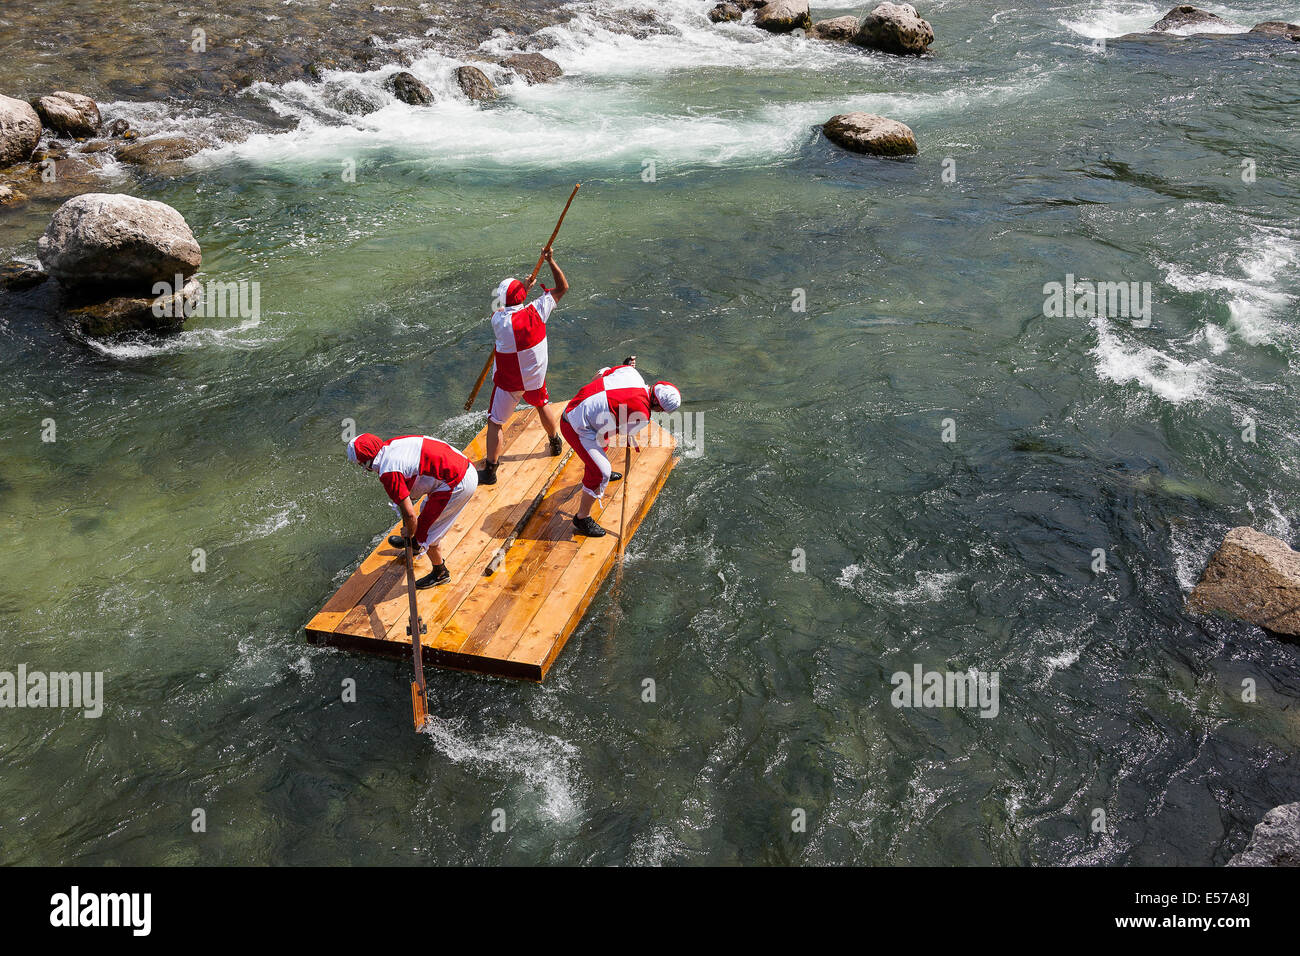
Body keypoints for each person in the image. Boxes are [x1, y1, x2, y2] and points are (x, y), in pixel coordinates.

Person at [479, 248, 569, 485]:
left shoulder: (497, 320)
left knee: (495, 422)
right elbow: (562, 288)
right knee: (542, 405)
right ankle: (554, 440)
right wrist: (550, 261)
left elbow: (503, 306)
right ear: (521, 298)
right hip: (534, 378)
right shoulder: (537, 310)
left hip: (509, 382)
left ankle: (490, 470)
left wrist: (523, 288)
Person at [560, 362, 681, 537]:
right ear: (659, 407)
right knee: (603, 473)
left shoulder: (631, 372)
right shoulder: (643, 416)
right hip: (574, 427)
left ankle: (592, 472)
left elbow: (600, 374)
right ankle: (582, 518)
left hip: (575, 406)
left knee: (604, 444)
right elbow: (625, 431)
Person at [346, 432, 478, 588]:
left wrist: (409, 530)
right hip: (460, 465)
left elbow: (410, 515)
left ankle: (440, 573)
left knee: (427, 532)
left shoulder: (389, 473)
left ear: (365, 464)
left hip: (458, 482)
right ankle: (415, 544)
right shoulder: (391, 445)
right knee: (424, 513)